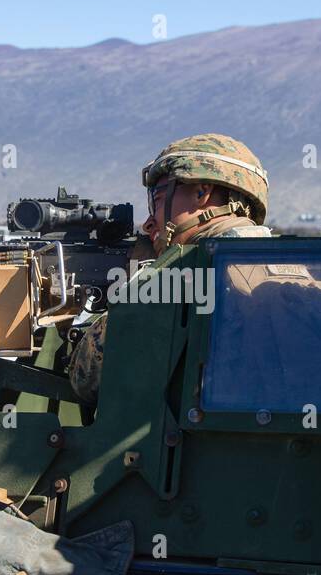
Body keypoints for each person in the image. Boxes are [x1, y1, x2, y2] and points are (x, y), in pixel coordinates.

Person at [66, 134, 272, 405]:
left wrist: (122, 299)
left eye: (159, 201)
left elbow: (87, 380)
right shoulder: (304, 270)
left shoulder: (180, 280)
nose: (150, 224)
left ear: (201, 193)